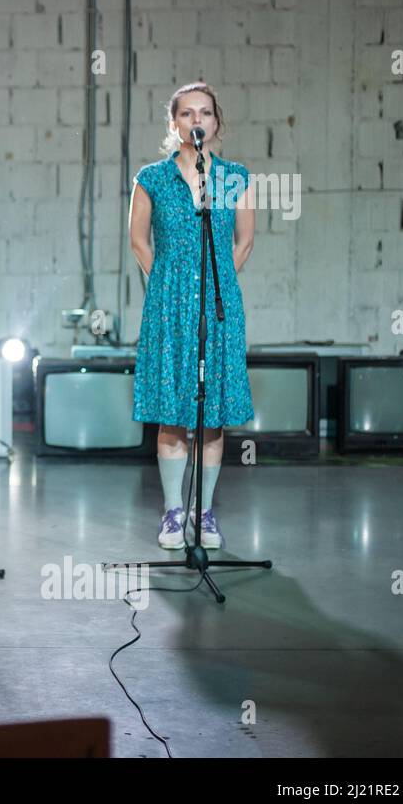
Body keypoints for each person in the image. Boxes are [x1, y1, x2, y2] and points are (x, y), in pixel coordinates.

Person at [129, 81, 256, 550]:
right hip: (169, 305)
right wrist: (165, 281)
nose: (196, 120)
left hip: (219, 307)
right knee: (171, 410)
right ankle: (172, 511)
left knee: (212, 414)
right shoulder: (152, 178)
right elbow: (138, 239)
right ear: (174, 122)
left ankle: (204, 513)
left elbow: (244, 239)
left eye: (205, 113)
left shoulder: (234, 177)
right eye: (186, 113)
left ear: (215, 122)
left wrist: (218, 278)